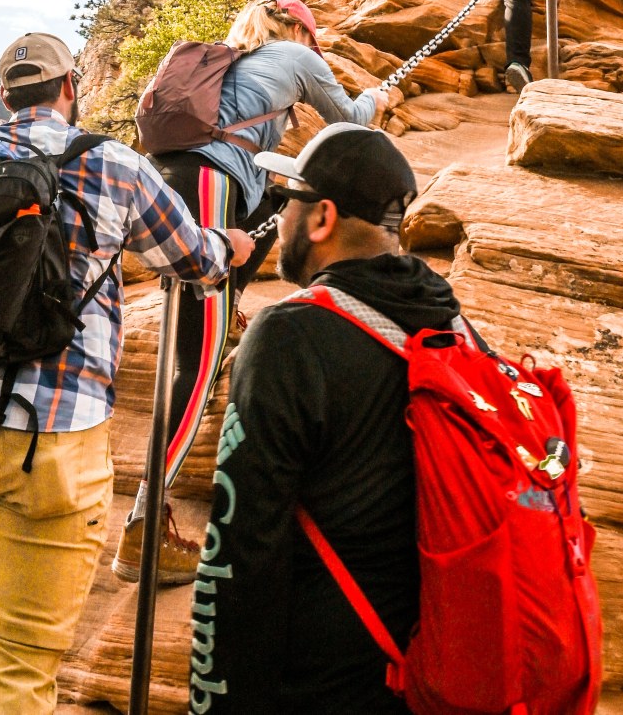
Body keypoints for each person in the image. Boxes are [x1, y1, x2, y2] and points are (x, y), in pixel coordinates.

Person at [0, 32, 252, 715]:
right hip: (58, 438)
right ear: (70, 88)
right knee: (19, 659)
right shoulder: (113, 164)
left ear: (4, 97)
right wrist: (230, 246)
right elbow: (189, 258)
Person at [116, 0, 391, 586]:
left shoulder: (231, 63)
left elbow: (263, 174)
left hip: (173, 185)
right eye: (310, 33)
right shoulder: (293, 53)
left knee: (272, 200)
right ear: (294, 27)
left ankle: (227, 302)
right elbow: (348, 118)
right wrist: (381, 97)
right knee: (202, 357)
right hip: (210, 187)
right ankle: (145, 519)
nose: (312, 43)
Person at [189, 126, 459, 715]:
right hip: (435, 675)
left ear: (322, 219)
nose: (280, 215)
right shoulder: (456, 329)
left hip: (322, 686)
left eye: (288, 200)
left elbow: (239, 550)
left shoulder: (289, 335)